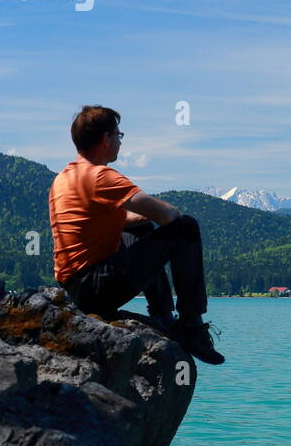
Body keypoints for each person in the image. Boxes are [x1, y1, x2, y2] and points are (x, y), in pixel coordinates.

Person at [48, 105, 224, 364]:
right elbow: (168, 216)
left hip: (75, 288)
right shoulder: (101, 176)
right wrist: (168, 213)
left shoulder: (64, 178)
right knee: (186, 226)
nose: (120, 141)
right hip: (96, 288)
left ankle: (163, 317)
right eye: (118, 135)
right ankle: (191, 325)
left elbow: (106, 222)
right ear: (106, 139)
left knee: (141, 227)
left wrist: (144, 220)